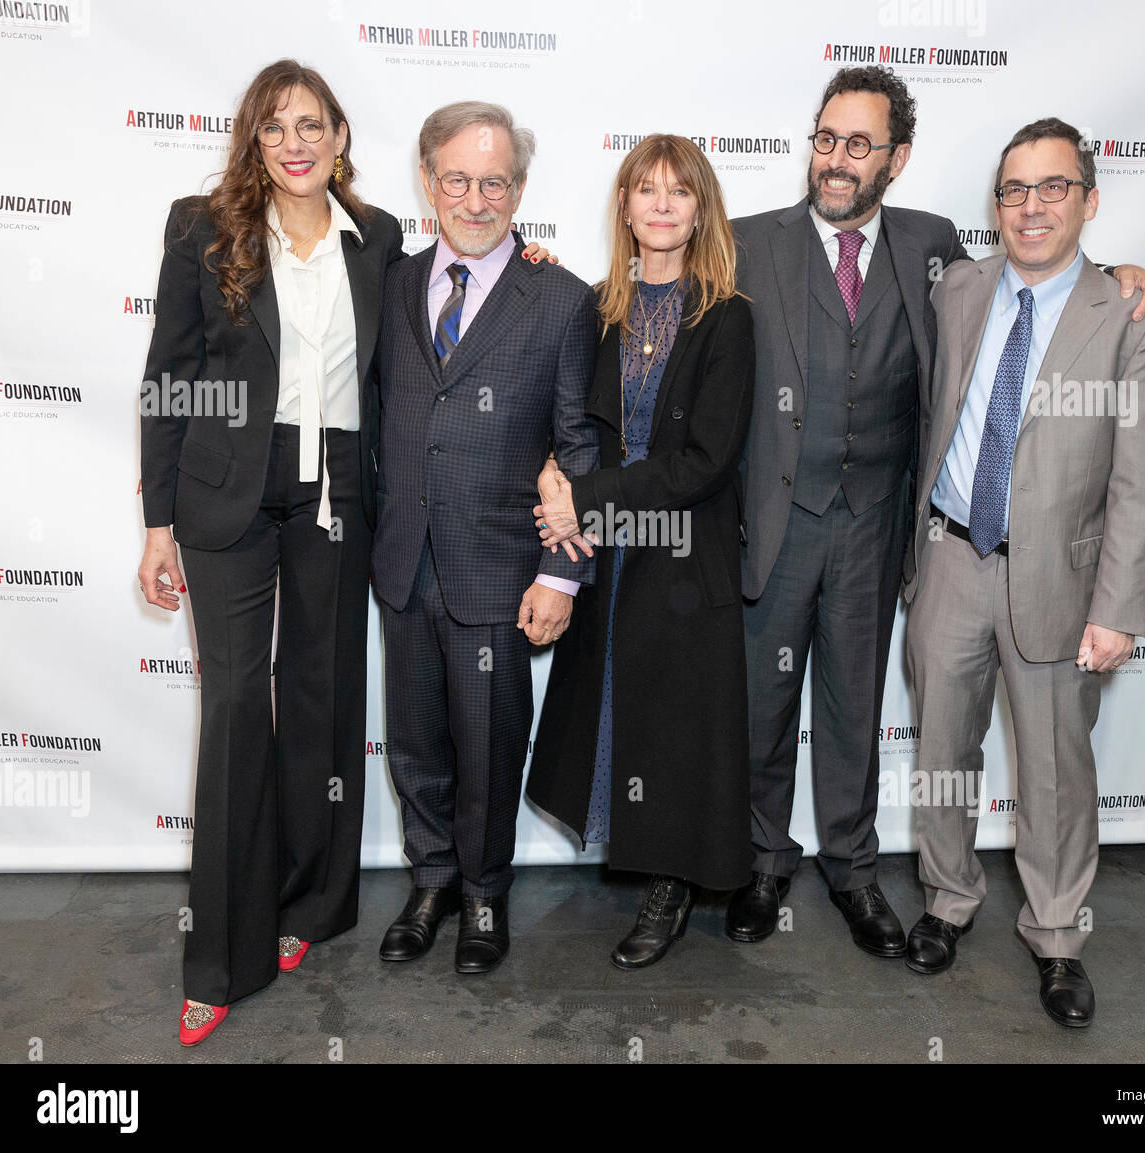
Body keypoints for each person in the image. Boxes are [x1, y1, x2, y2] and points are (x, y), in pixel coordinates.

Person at [726, 65, 1145, 956]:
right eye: (827, 137)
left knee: (859, 713)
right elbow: (653, 292)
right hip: (780, 529)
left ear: (897, 156)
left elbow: (1061, 288)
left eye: (861, 143)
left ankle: (856, 872)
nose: (838, 159)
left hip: (879, 535)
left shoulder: (934, 251)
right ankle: (761, 863)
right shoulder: (747, 241)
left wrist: (1127, 274)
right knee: (765, 709)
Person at [137, 60, 404, 1045]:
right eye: (276, 127)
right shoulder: (201, 227)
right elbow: (169, 371)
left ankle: (310, 901)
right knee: (241, 706)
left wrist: (534, 266)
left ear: (339, 137)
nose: (296, 143)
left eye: (313, 125)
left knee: (326, 700)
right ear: (255, 141)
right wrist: (156, 519)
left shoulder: (378, 238)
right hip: (227, 494)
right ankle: (217, 954)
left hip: (337, 492)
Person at [902, 118, 1145, 1027]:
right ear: (996, 204)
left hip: (1061, 579)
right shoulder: (960, 289)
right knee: (941, 751)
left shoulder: (1126, 314)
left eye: (1053, 187)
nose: (1031, 206)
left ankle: (1057, 936)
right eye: (1015, 189)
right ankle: (945, 902)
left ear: (1089, 200)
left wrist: (1120, 607)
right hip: (949, 557)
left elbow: (1139, 479)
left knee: (1055, 770)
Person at [372, 102, 598, 976]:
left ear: (519, 190)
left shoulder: (563, 298)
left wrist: (561, 575)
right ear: (428, 182)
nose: (474, 198)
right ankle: (430, 880)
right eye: (457, 179)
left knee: (490, 749)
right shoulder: (391, 281)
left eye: (493, 181)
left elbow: (577, 449)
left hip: (502, 570)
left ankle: (482, 894)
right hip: (403, 561)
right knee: (416, 743)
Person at [527, 135, 755, 969]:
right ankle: (636, 851)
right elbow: (576, 421)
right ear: (623, 205)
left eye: (679, 191)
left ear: (702, 208)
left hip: (686, 554)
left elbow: (707, 461)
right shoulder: (597, 306)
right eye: (645, 189)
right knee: (620, 707)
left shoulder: (728, 314)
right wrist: (566, 488)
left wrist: (584, 499)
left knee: (676, 723)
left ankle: (670, 884)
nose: (661, 204)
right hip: (611, 554)